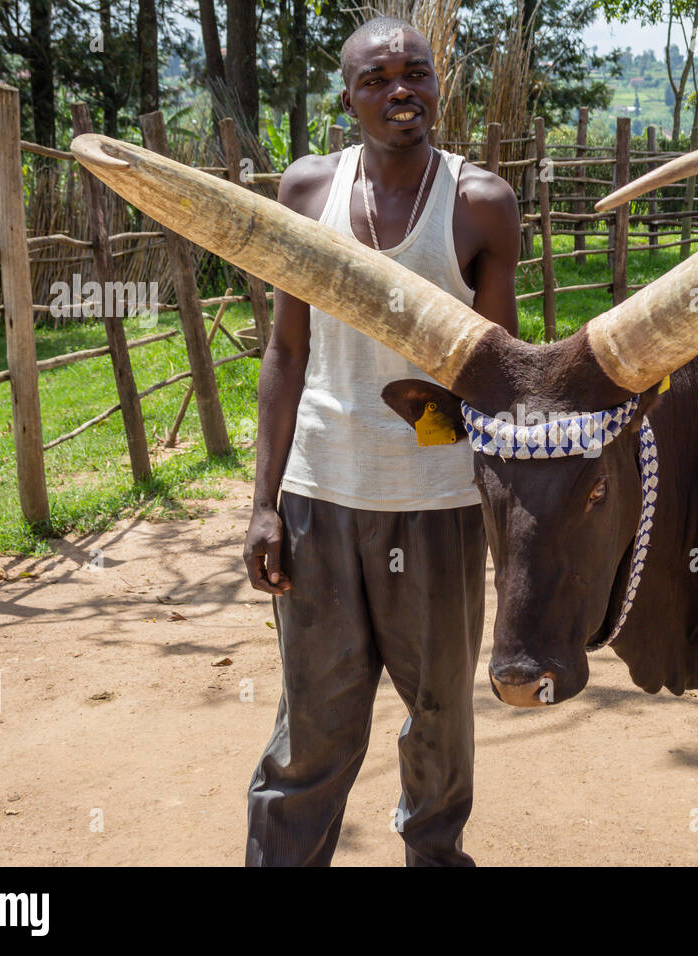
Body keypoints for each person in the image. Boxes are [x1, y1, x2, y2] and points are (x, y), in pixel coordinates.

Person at [241, 15, 521, 866]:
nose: (400, 91)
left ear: (438, 85)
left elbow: (499, 376)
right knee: (312, 725)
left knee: (440, 723)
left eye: (415, 74)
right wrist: (262, 506)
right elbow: (287, 353)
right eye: (376, 80)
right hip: (320, 495)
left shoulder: (479, 204)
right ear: (348, 100)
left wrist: (510, 522)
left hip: (437, 503)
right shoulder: (305, 192)